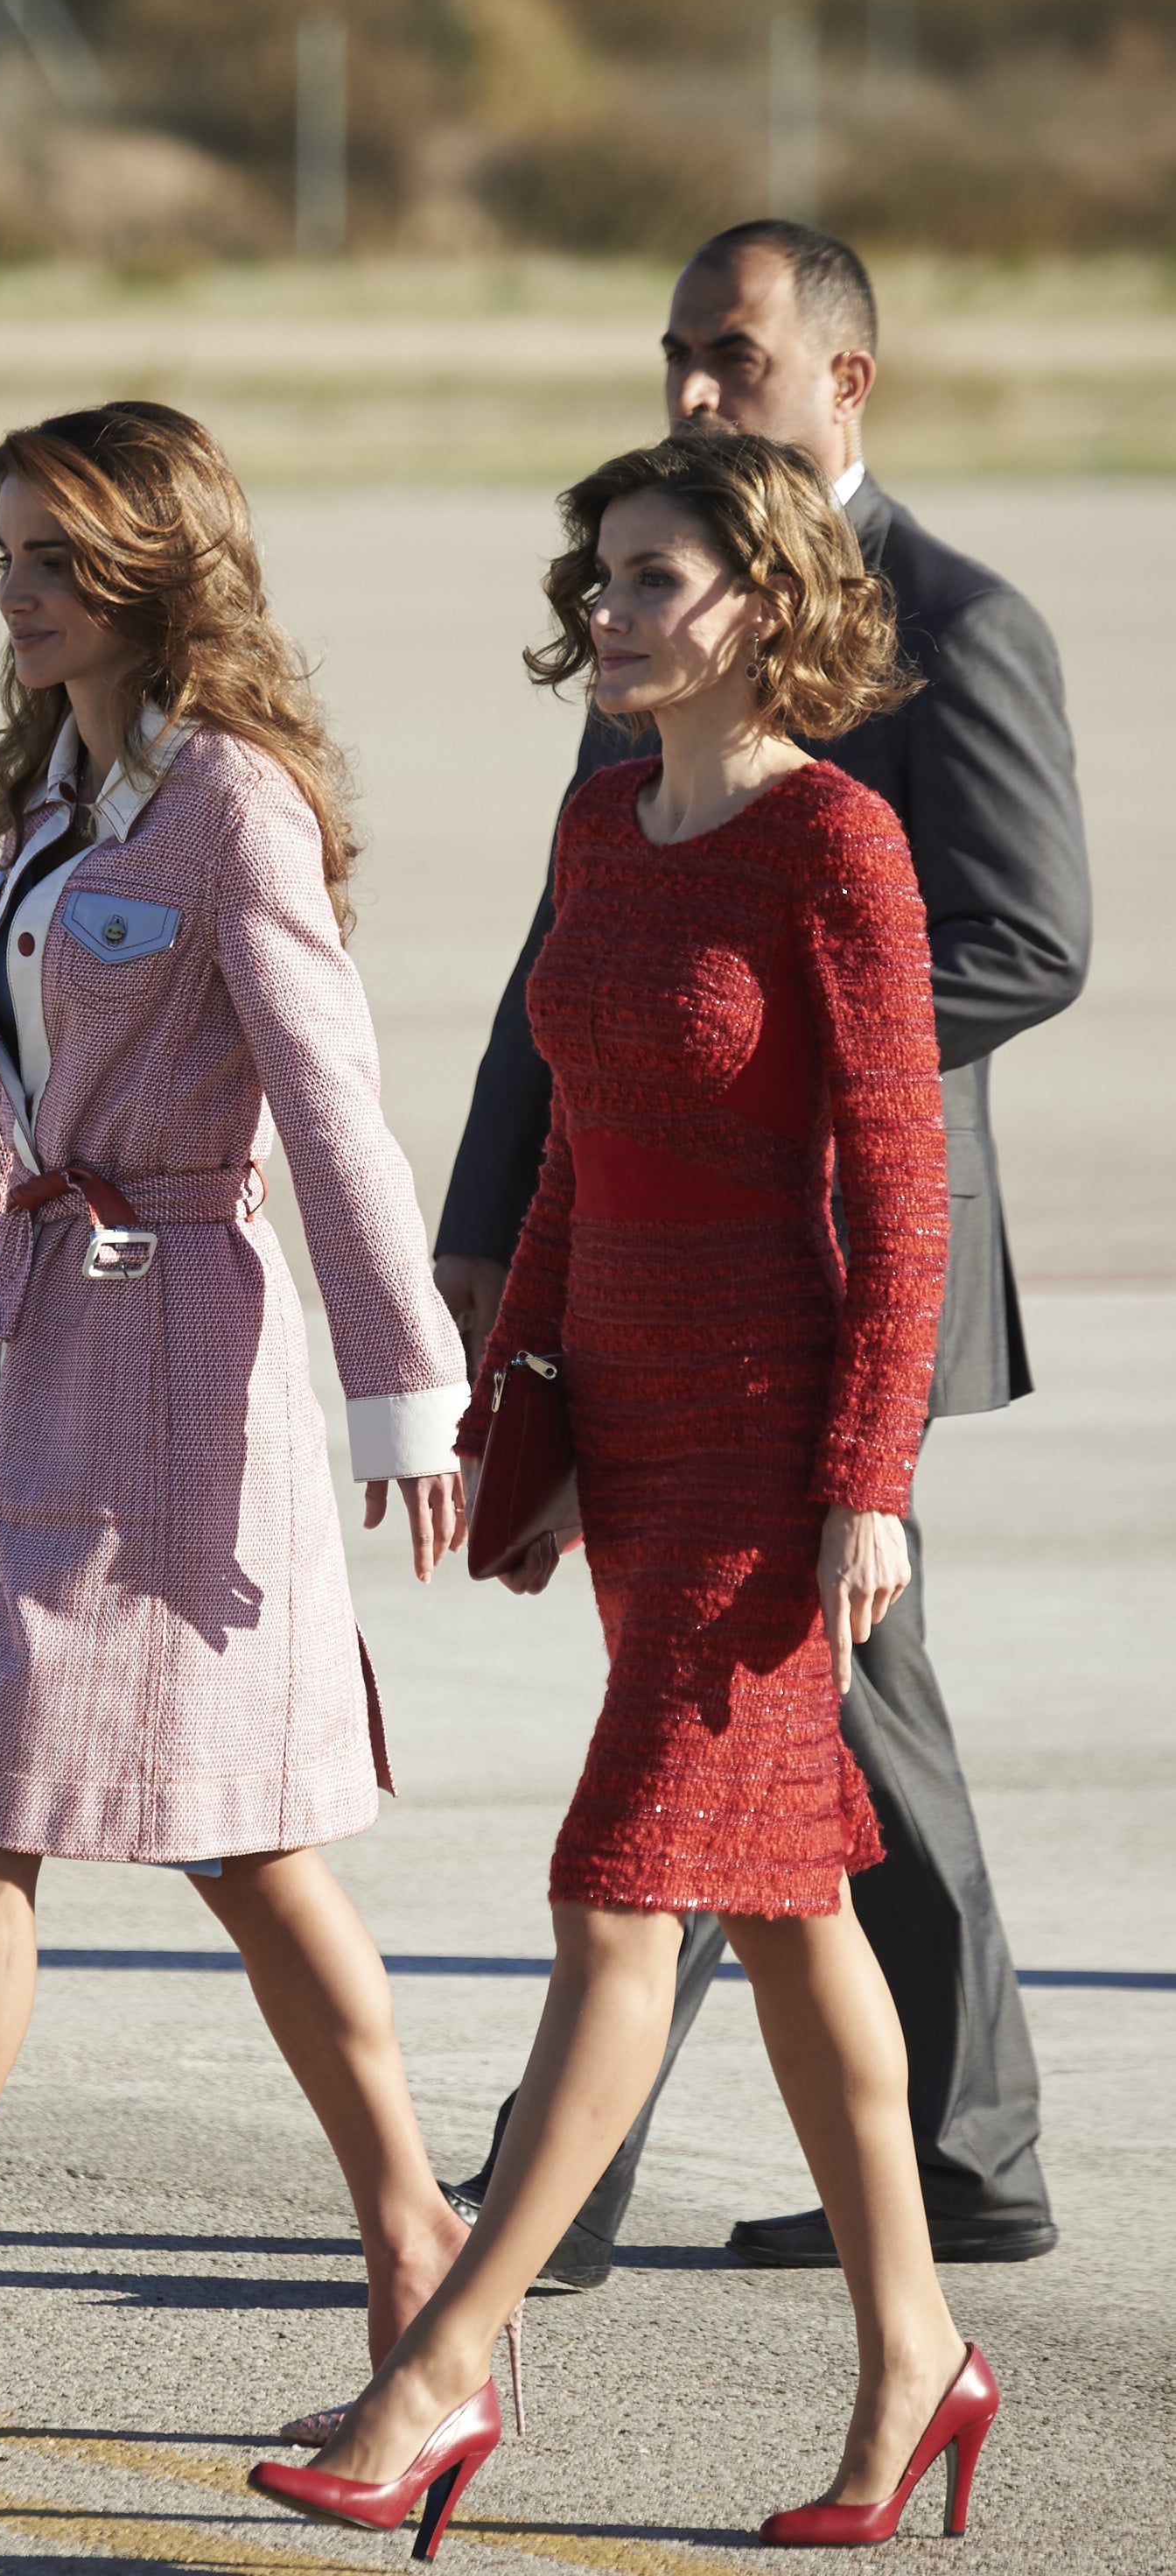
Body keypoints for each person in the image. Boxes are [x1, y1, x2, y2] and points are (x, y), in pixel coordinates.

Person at [0, 400, 481, 2467]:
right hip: (57, 1348)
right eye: (10, 553)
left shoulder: (234, 801)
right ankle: (417, 2260)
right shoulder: (57, 786)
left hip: (185, 1365)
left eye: (53, 558)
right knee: (221, 1848)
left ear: (157, 573)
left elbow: (332, 1106)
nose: (14, 591)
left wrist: (411, 1384)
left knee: (30, 1820)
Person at [252, 432, 1000, 2557]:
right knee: (787, 1916)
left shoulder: (835, 843)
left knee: (623, 1891)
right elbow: (577, 1131)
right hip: (645, 1427)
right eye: (603, 575)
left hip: (778, 1440)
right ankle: (915, 2360)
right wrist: (532, 1398)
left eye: (655, 578)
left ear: (761, 601)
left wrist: (873, 1481)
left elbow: (905, 1188)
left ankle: (444, 2367)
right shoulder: (605, 812)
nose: (612, 609)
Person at [435, 221, 1088, 2288]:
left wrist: (796, 1059)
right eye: (677, 356)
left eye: (736, 359)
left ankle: (550, 2210)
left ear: (846, 382)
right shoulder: (657, 613)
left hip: (832, 1280)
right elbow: (578, 962)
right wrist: (487, 1239)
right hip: (631, 1276)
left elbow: (1028, 940)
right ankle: (950, 2186)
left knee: (723, 1766)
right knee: (816, 1774)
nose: (696, 393)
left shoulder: (958, 625)